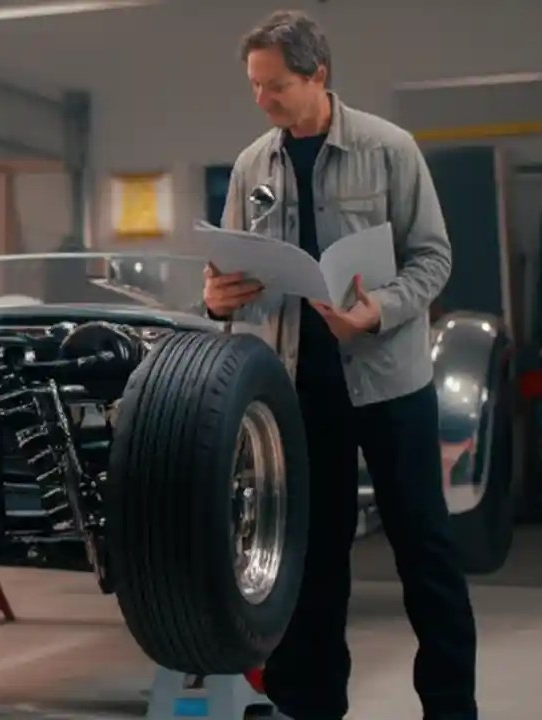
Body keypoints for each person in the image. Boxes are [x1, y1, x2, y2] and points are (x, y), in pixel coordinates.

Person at [201, 10, 479, 720]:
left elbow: (434, 258)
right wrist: (214, 298)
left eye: (276, 86)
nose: (262, 100)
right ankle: (311, 708)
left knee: (425, 554)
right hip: (297, 392)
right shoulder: (252, 165)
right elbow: (226, 269)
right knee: (312, 563)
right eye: (254, 86)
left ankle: (452, 709)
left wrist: (377, 310)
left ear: (318, 75)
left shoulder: (389, 150)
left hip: (389, 385)